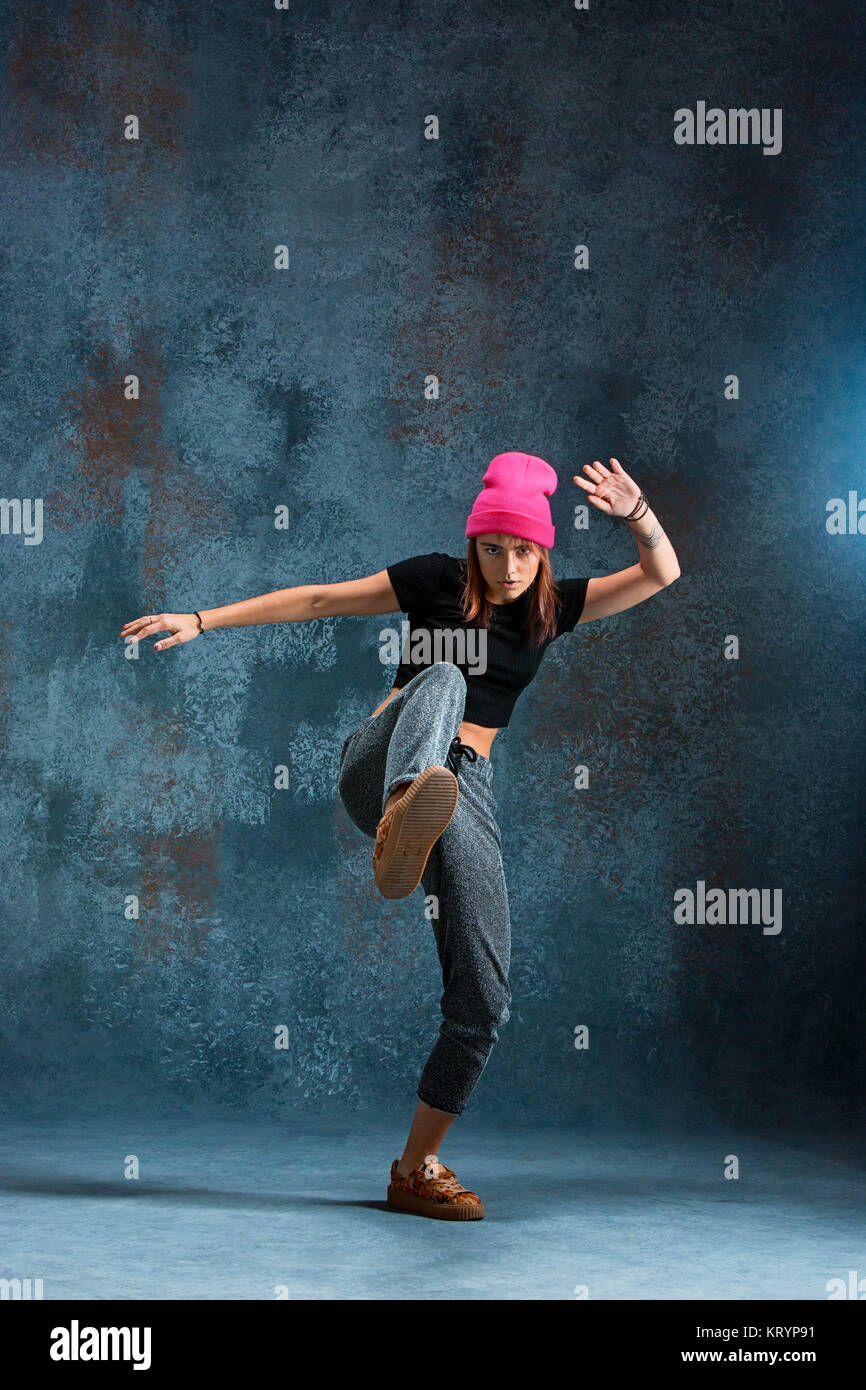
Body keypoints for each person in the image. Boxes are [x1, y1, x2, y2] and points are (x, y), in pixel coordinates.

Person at [120, 451, 680, 1222]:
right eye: (493, 548)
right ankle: (402, 809)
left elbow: (660, 575)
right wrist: (201, 620)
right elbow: (319, 599)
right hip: (378, 766)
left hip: (462, 791)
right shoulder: (435, 581)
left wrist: (638, 513)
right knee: (445, 676)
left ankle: (416, 1169)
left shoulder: (554, 607)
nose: (508, 566)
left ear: (544, 549)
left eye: (524, 551)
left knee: (485, 997)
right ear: (473, 543)